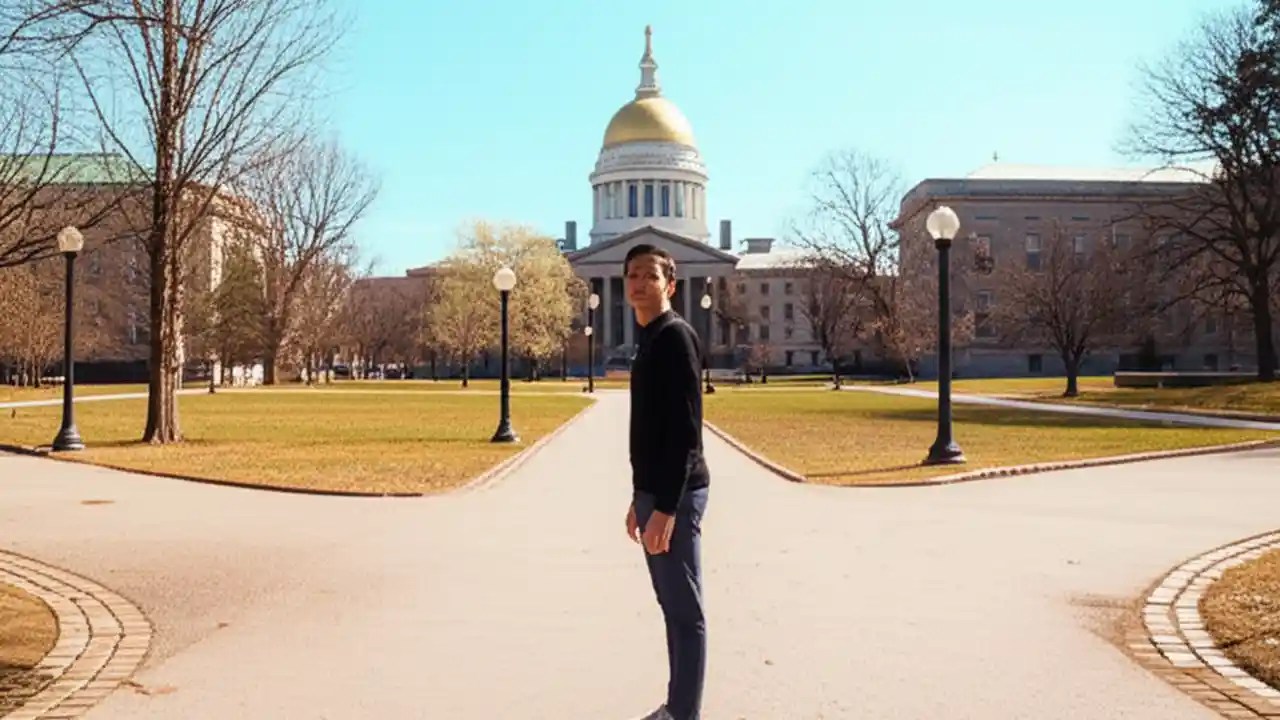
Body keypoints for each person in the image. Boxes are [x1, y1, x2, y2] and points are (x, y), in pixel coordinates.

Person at [622, 243, 711, 720]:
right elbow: (648, 431)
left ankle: (684, 714)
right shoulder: (650, 339)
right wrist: (640, 497)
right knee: (672, 608)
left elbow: (684, 434)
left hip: (677, 495)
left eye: (649, 276)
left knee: (686, 614)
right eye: (632, 275)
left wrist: (666, 508)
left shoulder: (675, 337)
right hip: (655, 494)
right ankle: (677, 707)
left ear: (670, 285)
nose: (638, 283)